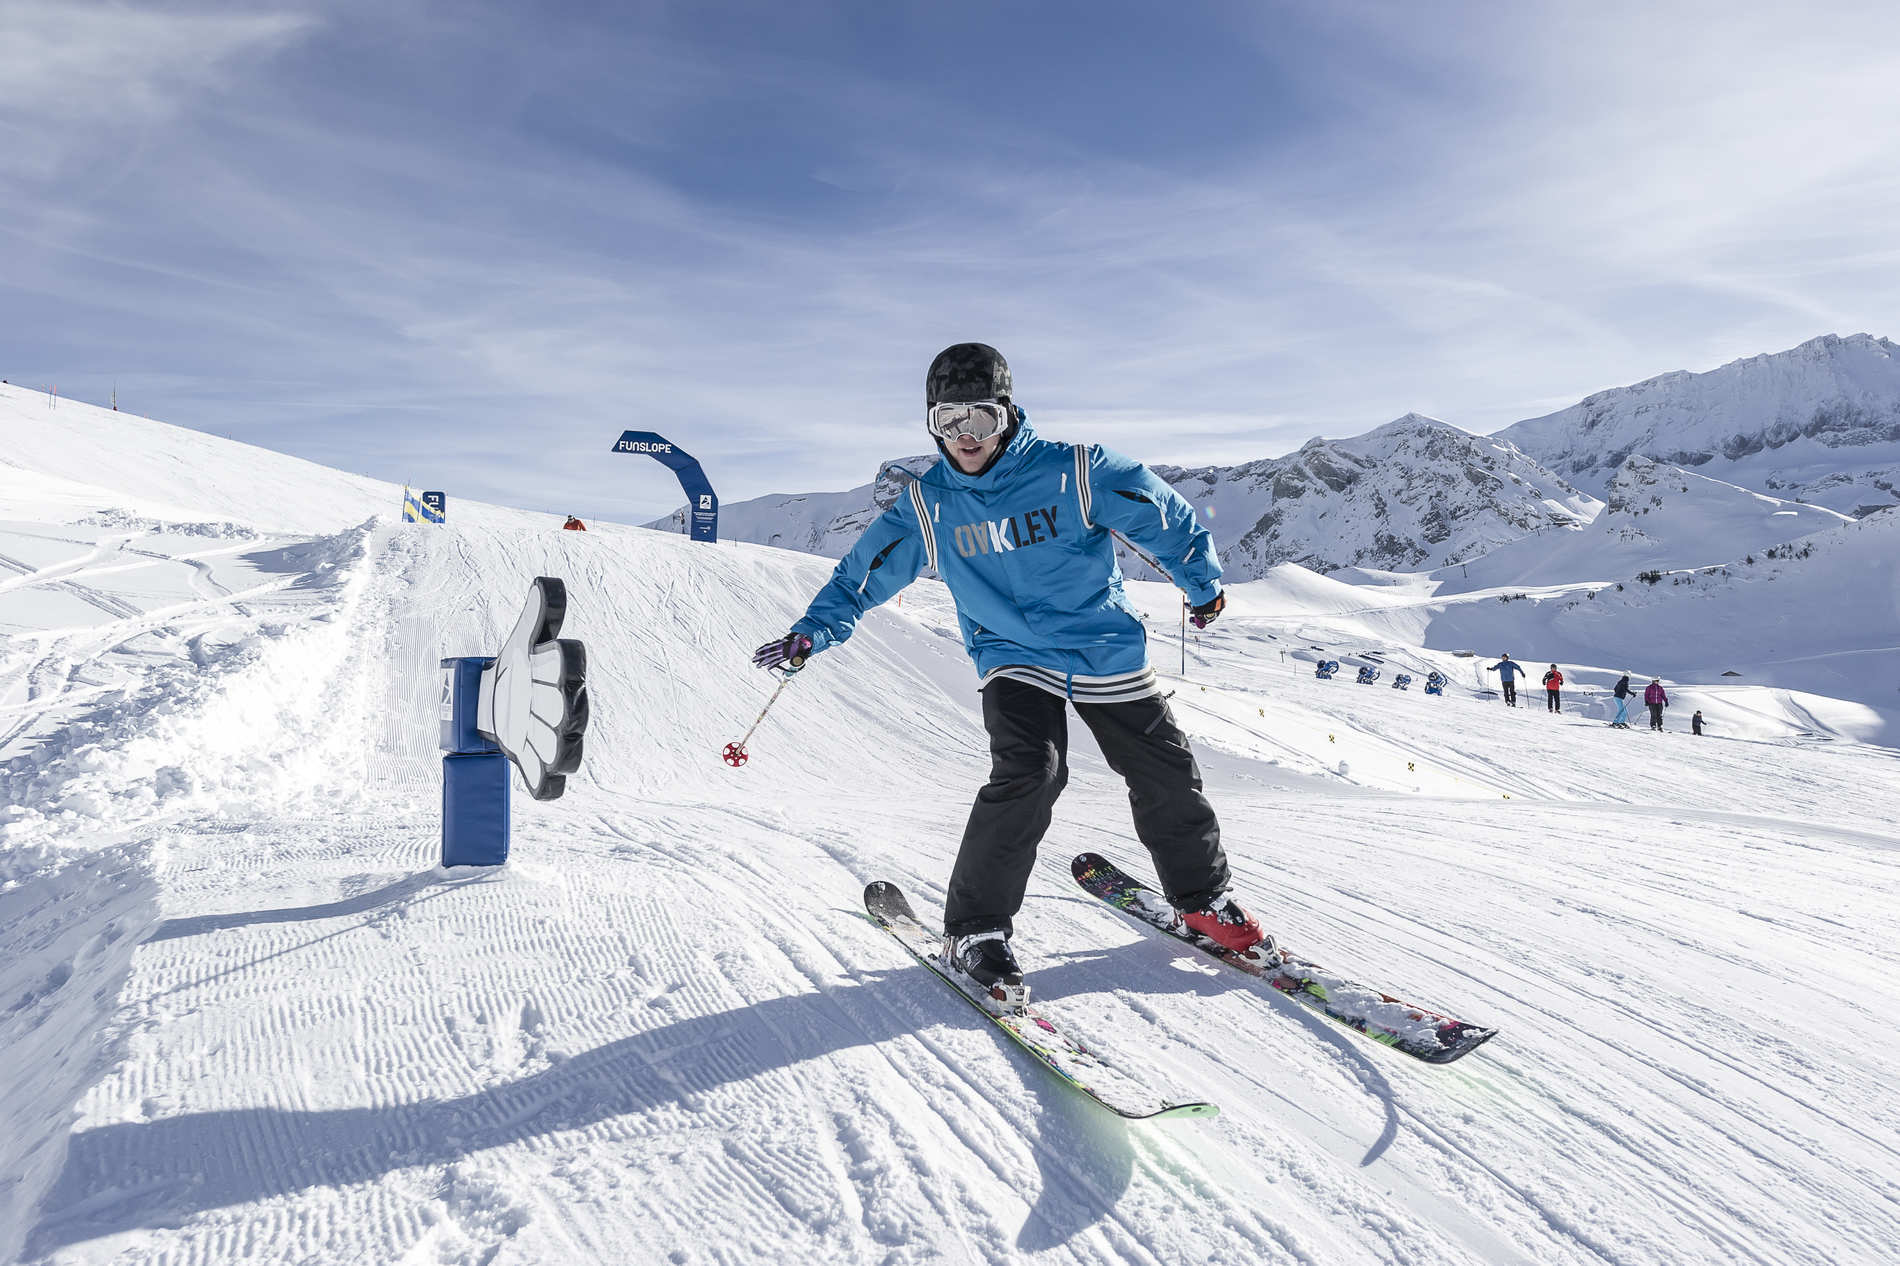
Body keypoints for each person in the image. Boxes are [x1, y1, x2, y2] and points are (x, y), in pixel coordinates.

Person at [751, 343, 1265, 1008]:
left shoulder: (1077, 471)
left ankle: (1203, 900)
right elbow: (864, 575)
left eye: (981, 420)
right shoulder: (929, 505)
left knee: (1163, 766)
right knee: (1031, 770)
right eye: (948, 423)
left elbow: (1163, 515)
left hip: (1101, 643)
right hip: (1012, 653)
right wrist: (811, 632)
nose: (966, 438)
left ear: (1008, 414)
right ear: (931, 424)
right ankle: (976, 931)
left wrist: (1202, 584)